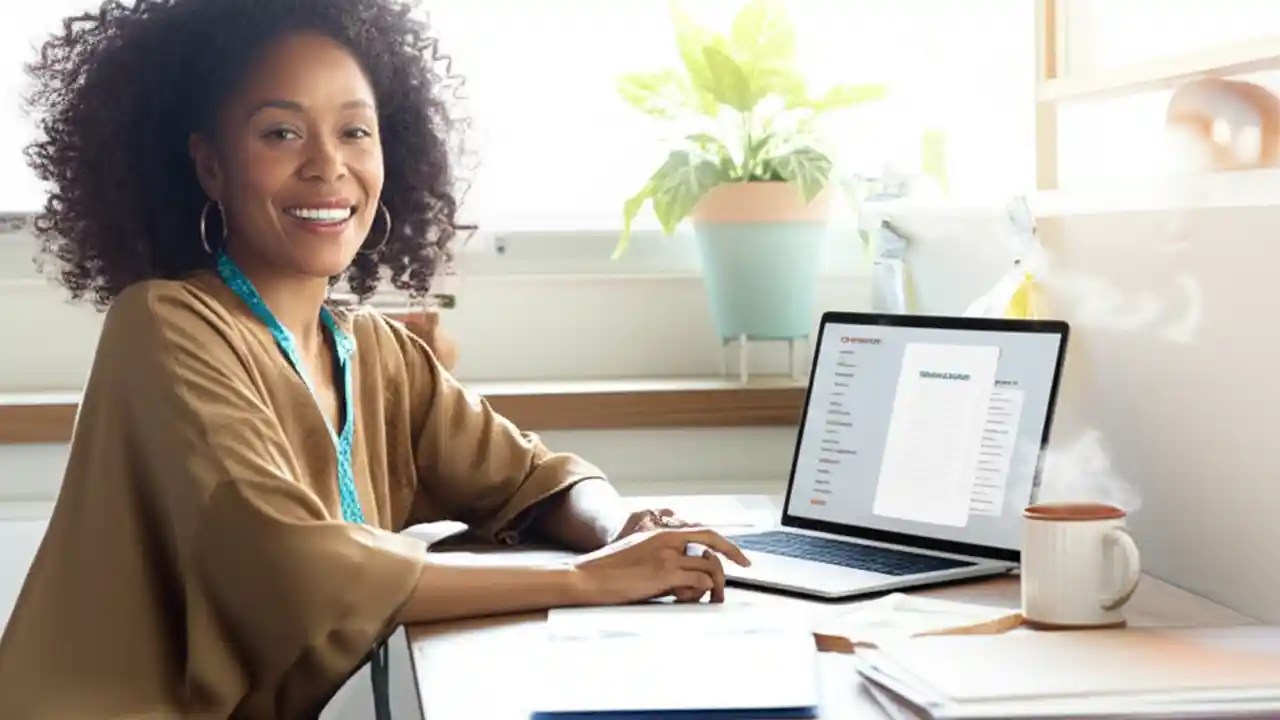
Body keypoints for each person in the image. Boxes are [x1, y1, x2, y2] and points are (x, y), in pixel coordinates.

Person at [0, 0, 749, 717]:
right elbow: (296, 569)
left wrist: (621, 527)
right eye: (281, 134)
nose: (329, 167)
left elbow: (531, 479)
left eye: (355, 132)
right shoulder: (165, 327)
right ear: (210, 167)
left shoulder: (378, 352)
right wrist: (587, 579)